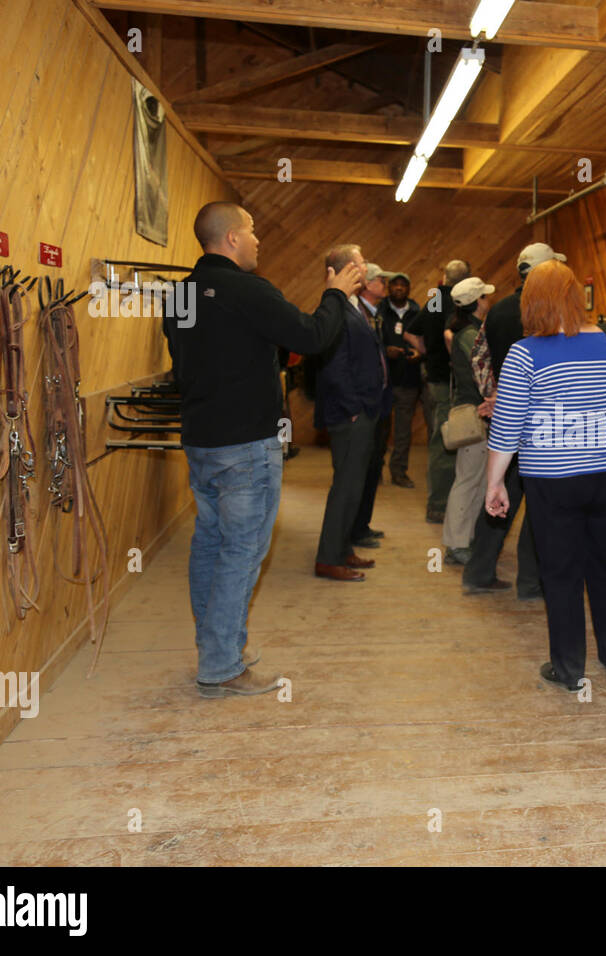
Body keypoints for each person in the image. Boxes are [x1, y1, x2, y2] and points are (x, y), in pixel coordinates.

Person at [171, 201, 363, 698]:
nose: (259, 240)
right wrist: (336, 294)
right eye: (253, 231)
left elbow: (186, 361)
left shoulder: (180, 296)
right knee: (242, 550)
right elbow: (312, 336)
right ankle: (221, 666)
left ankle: (218, 645)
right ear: (231, 238)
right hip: (245, 445)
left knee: (210, 543)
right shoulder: (248, 291)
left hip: (201, 441)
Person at [485, 260, 606, 692]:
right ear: (576, 297)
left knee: (562, 572)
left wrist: (495, 483)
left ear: (530, 302)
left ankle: (570, 670)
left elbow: (507, 425)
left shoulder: (525, 352)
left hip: (552, 480)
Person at [462, 242, 565, 599]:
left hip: (506, 420)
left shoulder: (500, 310)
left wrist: (496, 397)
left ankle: (478, 572)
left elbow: (479, 356)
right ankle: (531, 582)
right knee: (538, 503)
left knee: (498, 499)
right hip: (540, 423)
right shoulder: (549, 312)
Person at [312, 247, 389, 582]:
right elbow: (333, 365)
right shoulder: (336, 307)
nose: (365, 267)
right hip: (351, 413)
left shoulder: (352, 305)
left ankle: (342, 549)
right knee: (345, 487)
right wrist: (354, 408)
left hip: (364, 408)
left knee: (354, 485)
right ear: (343, 269)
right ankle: (328, 558)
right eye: (360, 263)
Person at [406, 259, 468, 523]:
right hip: (454, 380)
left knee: (441, 439)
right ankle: (441, 504)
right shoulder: (463, 301)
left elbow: (411, 332)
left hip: (436, 377)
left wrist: (426, 351)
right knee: (449, 442)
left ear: (443, 278)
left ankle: (440, 503)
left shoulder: (434, 298)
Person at [441, 276, 496, 565]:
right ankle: (456, 543)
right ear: (477, 302)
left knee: (475, 478)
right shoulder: (470, 335)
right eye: (485, 296)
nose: (489, 300)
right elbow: (482, 375)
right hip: (475, 413)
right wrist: (494, 398)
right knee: (467, 479)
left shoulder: (463, 331)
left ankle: (463, 539)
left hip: (472, 410)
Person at [346, 264, 397, 548]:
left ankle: (362, 525)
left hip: (378, 404)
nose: (384, 284)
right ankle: (353, 530)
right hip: (363, 407)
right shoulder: (356, 313)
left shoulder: (374, 314)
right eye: (380, 279)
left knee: (372, 468)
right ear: (365, 284)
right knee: (360, 472)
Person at [381, 272, 424, 488]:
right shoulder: (379, 311)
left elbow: (426, 341)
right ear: (389, 288)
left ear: (409, 288)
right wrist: (384, 350)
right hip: (382, 380)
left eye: (403, 285)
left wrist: (419, 354)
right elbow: (371, 341)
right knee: (379, 429)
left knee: (403, 431)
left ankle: (399, 472)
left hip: (408, 378)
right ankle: (375, 470)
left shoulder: (418, 311)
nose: (398, 288)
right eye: (394, 285)